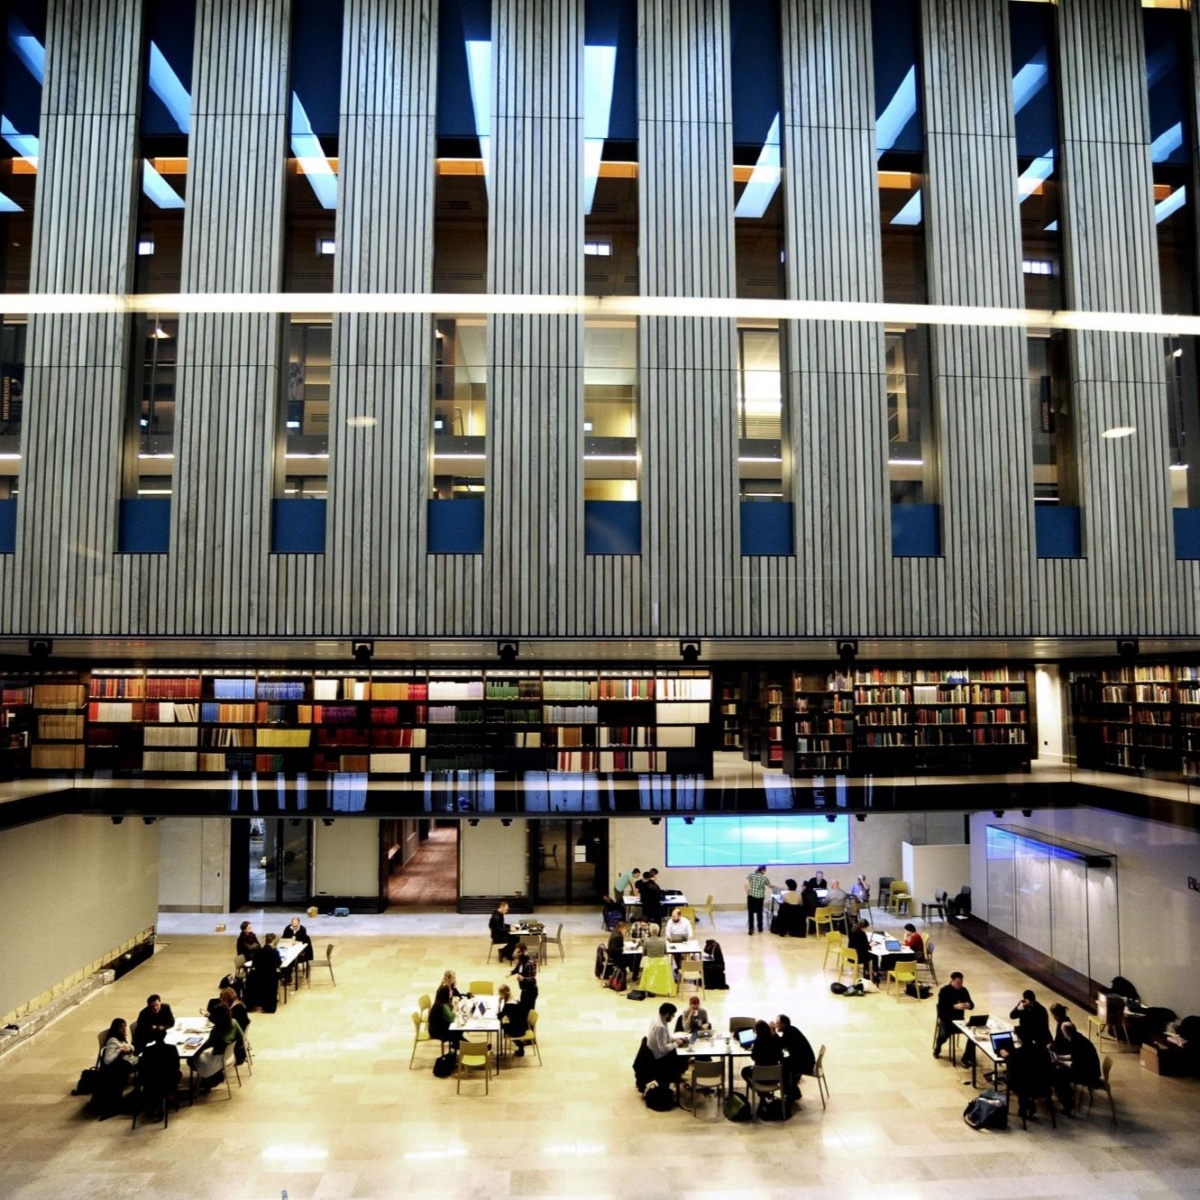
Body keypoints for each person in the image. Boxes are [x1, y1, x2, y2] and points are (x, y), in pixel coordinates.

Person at [191, 1002, 243, 1092]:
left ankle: (209, 1078)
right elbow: (241, 1037)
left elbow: (205, 1045)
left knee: (192, 1060)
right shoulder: (234, 1022)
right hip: (230, 1055)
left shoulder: (216, 1032)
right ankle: (213, 1076)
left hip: (218, 1058)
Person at [95, 1017, 138, 1119]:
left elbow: (130, 1046)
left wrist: (130, 1048)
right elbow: (107, 1060)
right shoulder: (113, 1041)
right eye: (121, 1027)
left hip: (124, 1063)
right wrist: (120, 1051)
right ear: (116, 1028)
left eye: (124, 1026)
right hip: (114, 1068)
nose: (124, 1029)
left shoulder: (123, 1037)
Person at [774, 1013, 815, 1104]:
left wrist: (774, 1033)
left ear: (784, 1024)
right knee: (784, 1064)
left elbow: (780, 1044)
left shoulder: (789, 1033)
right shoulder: (791, 1030)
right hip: (805, 1060)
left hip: (805, 1064)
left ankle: (791, 1093)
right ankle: (792, 1091)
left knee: (783, 1068)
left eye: (777, 1023)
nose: (776, 1025)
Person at [933, 972, 975, 1058]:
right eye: (958, 983)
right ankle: (938, 1047)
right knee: (943, 1035)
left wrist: (968, 1005)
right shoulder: (944, 991)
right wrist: (954, 1006)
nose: (960, 985)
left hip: (959, 1020)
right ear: (952, 981)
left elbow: (972, 1005)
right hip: (946, 1019)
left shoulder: (963, 990)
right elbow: (942, 1008)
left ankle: (967, 1057)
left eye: (961, 982)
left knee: (973, 1035)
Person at [645, 1002, 687, 1087]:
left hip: (656, 1049)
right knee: (684, 1055)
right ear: (667, 1014)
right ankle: (675, 1075)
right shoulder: (660, 1027)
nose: (673, 1017)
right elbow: (663, 1049)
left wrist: (675, 1040)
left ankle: (676, 1074)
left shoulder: (658, 1018)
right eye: (672, 1015)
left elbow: (666, 1037)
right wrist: (676, 1044)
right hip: (659, 1056)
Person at [244, 931, 282, 1013]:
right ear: (274, 941)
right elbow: (279, 963)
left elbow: (254, 963)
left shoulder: (258, 951)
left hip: (259, 976)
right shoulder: (275, 952)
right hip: (271, 977)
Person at [740, 1018, 783, 1087]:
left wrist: (753, 1049)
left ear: (757, 1031)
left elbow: (753, 1057)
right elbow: (780, 1055)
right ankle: (765, 1095)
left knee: (744, 1071)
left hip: (760, 1076)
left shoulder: (758, 1042)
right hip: (774, 1077)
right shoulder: (775, 1040)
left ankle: (761, 1093)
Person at [496, 983, 531, 1055]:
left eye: (500, 994)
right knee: (504, 1023)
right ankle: (520, 1045)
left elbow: (500, 1016)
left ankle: (520, 1045)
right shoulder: (514, 999)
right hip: (523, 1026)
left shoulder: (509, 1005)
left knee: (503, 1024)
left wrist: (499, 1005)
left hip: (518, 1030)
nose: (500, 996)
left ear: (504, 994)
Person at [510, 941, 539, 1009]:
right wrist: (512, 972)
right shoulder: (522, 960)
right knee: (522, 1009)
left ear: (524, 951)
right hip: (524, 990)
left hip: (531, 992)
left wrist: (523, 978)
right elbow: (518, 968)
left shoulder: (530, 963)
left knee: (528, 1012)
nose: (517, 954)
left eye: (519, 952)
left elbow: (533, 979)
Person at [745, 864, 771, 934]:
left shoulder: (751, 875)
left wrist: (747, 891)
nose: (765, 872)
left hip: (751, 897)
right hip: (760, 898)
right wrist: (775, 886)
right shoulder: (764, 878)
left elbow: (746, 883)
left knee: (750, 913)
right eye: (765, 870)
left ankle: (751, 929)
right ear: (762, 870)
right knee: (759, 913)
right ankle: (760, 928)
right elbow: (770, 886)